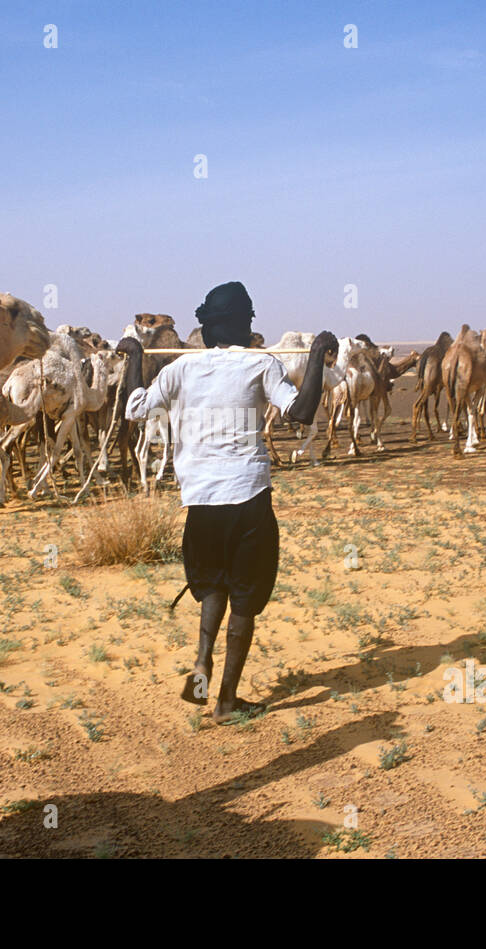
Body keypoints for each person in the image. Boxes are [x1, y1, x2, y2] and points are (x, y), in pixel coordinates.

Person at [116, 281, 336, 722]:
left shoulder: (179, 370)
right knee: (244, 598)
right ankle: (227, 701)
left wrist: (135, 358)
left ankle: (201, 661)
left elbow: (134, 407)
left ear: (207, 327)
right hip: (249, 498)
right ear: (246, 324)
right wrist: (317, 357)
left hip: (201, 502)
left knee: (212, 587)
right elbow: (302, 412)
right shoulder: (261, 364)